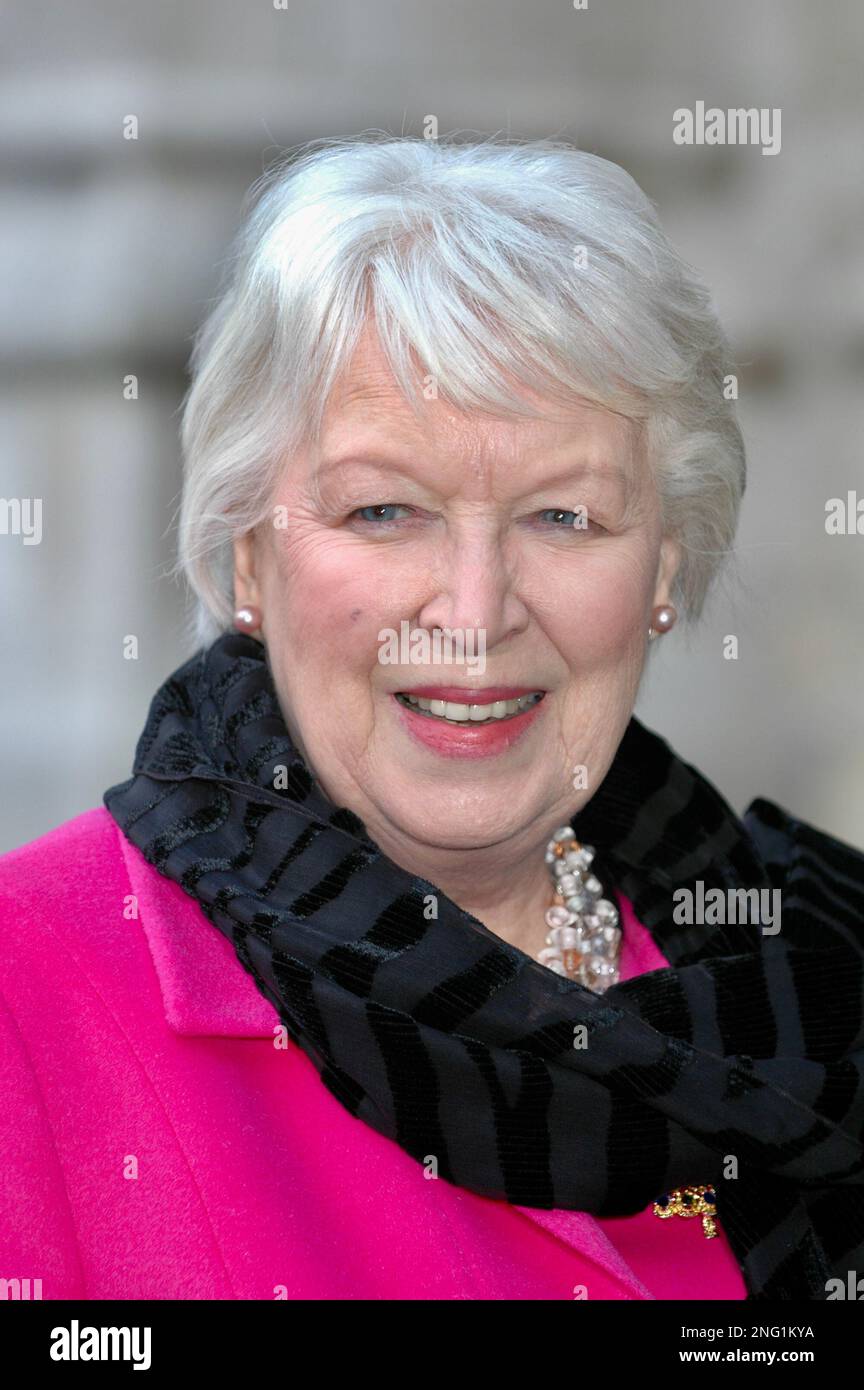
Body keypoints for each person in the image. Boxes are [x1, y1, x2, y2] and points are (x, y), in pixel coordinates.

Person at [2, 134, 862, 1302]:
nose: (473, 611)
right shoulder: (32, 988)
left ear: (665, 564)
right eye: (384, 509)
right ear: (250, 555)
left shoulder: (824, 959)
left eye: (562, 517)